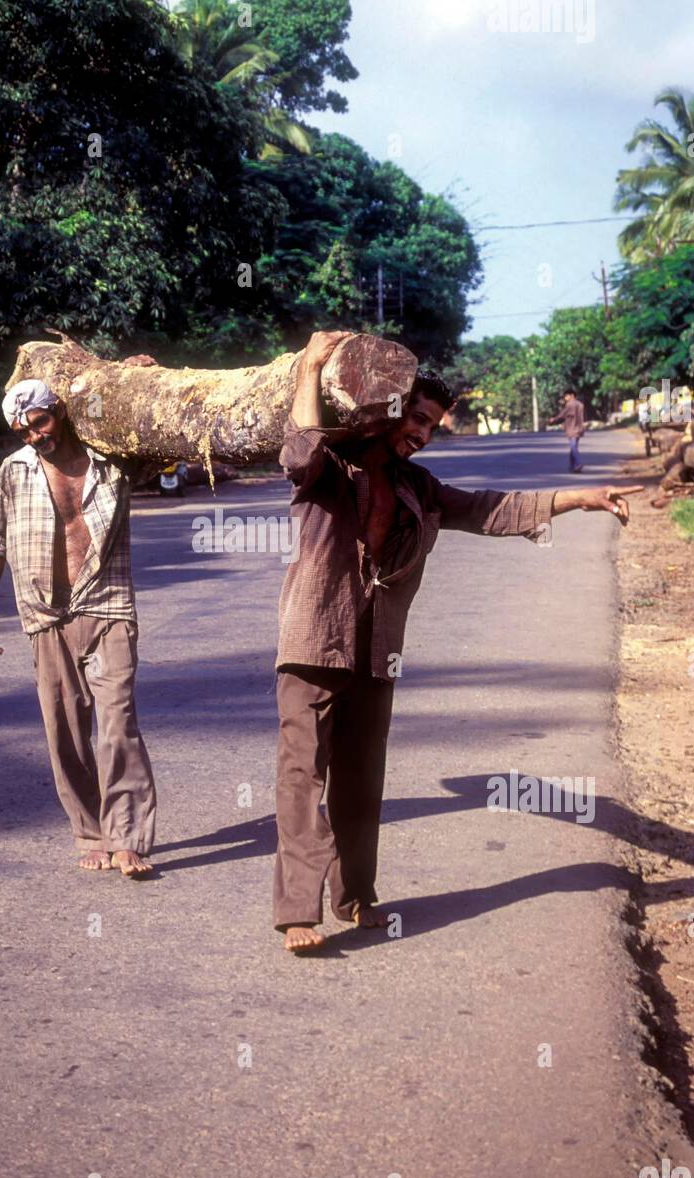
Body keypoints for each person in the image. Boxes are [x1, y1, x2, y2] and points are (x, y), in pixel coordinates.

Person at [273, 332, 642, 954]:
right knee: (301, 775)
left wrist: (580, 498)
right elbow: (296, 454)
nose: (423, 432)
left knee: (363, 782)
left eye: (433, 425)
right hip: (315, 640)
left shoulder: (420, 486)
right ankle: (296, 913)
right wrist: (310, 366)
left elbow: (494, 509)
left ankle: (356, 895)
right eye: (417, 418)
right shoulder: (331, 466)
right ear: (390, 410)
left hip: (376, 651)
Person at [0, 379, 157, 877]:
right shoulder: (14, 471)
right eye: (24, 430)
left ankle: (127, 837)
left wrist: (138, 376)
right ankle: (91, 833)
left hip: (107, 604)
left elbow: (158, 433)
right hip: (44, 613)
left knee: (118, 724)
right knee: (65, 733)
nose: (35, 436)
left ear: (59, 411)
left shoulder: (111, 463)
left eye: (40, 423)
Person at [548, 389, 586, 473]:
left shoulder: (569, 405)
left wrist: (553, 420)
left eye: (566, 396)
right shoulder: (580, 404)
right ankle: (572, 467)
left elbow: (562, 415)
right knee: (573, 447)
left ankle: (578, 463)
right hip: (579, 428)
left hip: (572, 428)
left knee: (573, 447)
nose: (565, 398)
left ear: (572, 395)